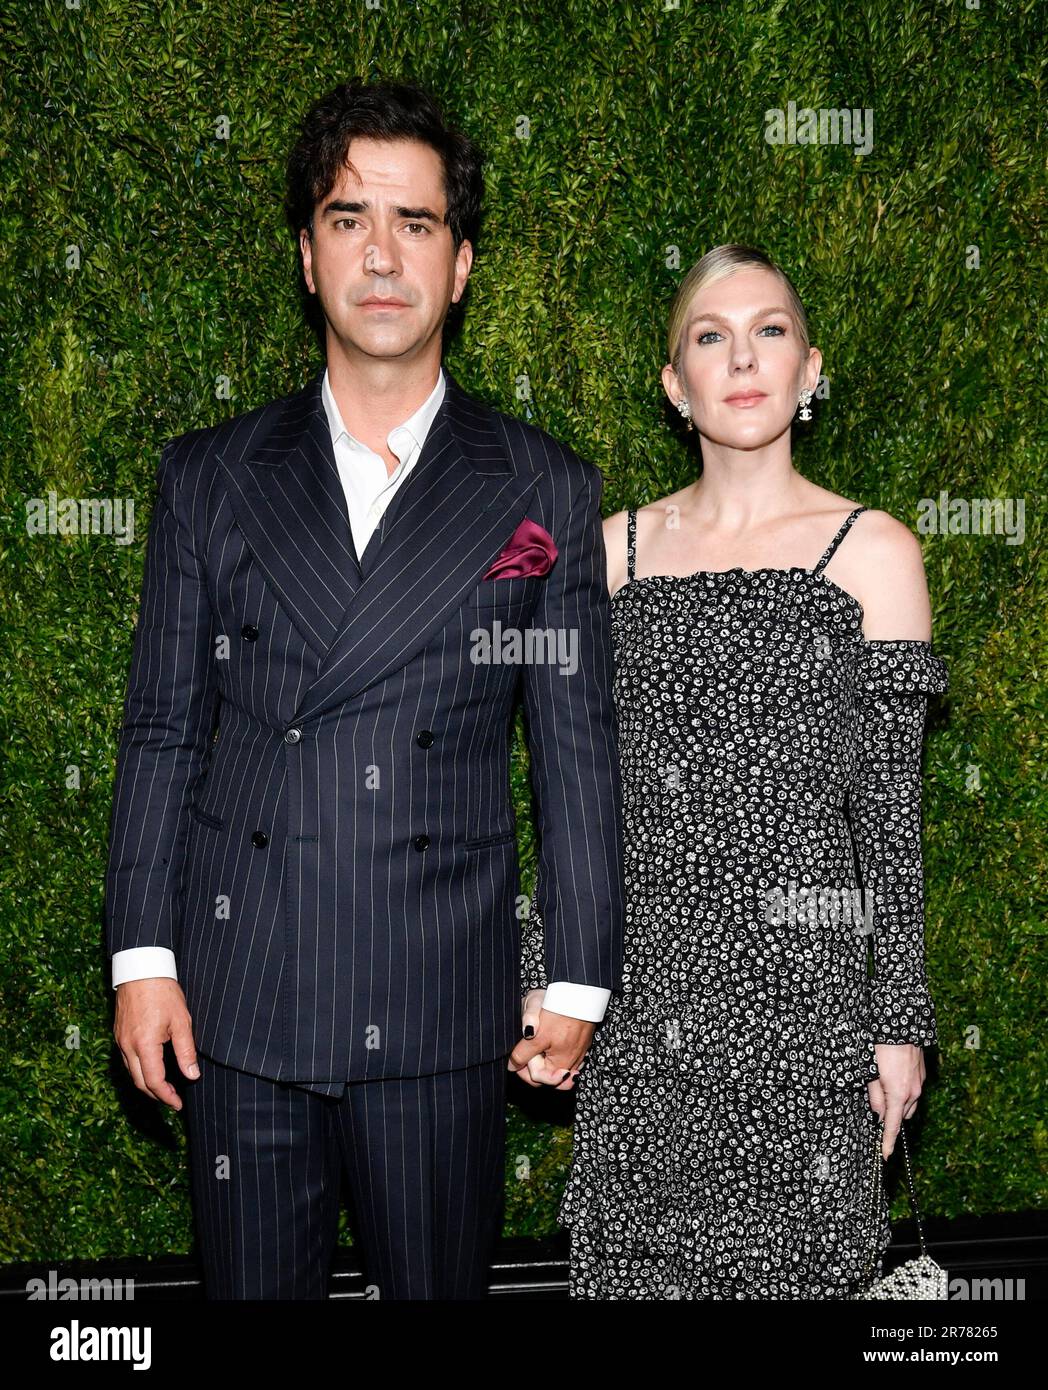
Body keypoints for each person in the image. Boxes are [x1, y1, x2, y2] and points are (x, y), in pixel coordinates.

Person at [105, 77, 625, 1301]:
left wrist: (578, 975)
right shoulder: (211, 476)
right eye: (349, 219)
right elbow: (164, 730)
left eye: (417, 224)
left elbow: (574, 753)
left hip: (444, 1007)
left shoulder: (543, 488)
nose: (382, 255)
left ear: (461, 267)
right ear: (306, 253)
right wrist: (142, 955)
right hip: (244, 1002)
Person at [511, 244, 949, 1299]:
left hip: (807, 1014)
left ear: (809, 369)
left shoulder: (873, 549)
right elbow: (569, 799)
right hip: (640, 1009)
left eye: (770, 332)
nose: (741, 358)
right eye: (710, 336)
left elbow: (888, 815)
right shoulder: (602, 552)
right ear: (674, 384)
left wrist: (899, 1024)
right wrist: (542, 969)